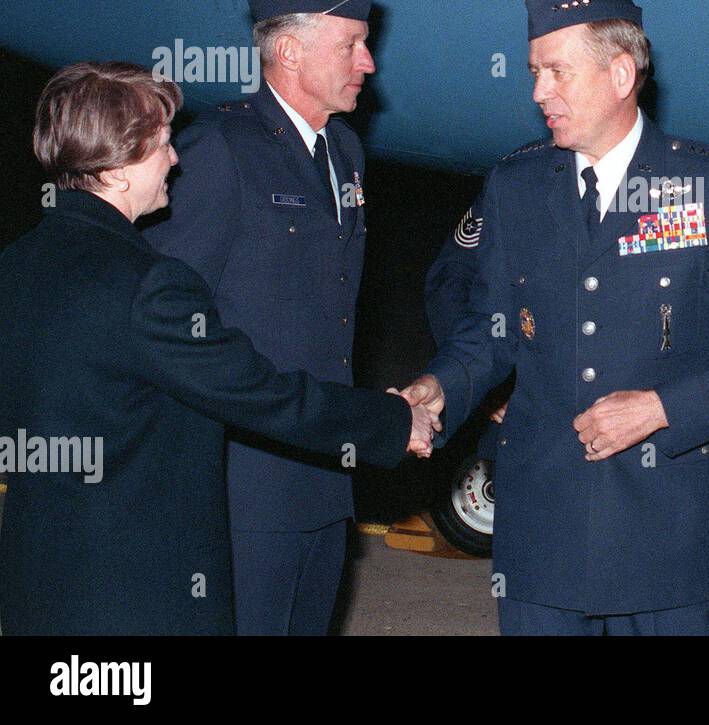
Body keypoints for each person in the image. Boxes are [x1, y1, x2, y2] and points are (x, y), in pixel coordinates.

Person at [403, 0, 709, 635]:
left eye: (556, 72)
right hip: (544, 536)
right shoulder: (517, 185)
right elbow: (489, 332)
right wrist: (436, 386)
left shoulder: (704, 184)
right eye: (535, 72)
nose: (538, 92)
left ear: (621, 74)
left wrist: (661, 409)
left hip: (670, 539)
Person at [0, 62, 435, 635]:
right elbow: (258, 393)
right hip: (133, 595)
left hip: (39, 580)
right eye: (161, 144)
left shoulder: (20, 262)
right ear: (120, 166)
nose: (175, 160)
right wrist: (391, 420)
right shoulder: (151, 284)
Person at [144, 0, 382, 635]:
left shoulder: (346, 151)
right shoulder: (220, 146)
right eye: (352, 44)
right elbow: (170, 317)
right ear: (287, 50)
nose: (367, 62)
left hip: (325, 476)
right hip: (243, 488)